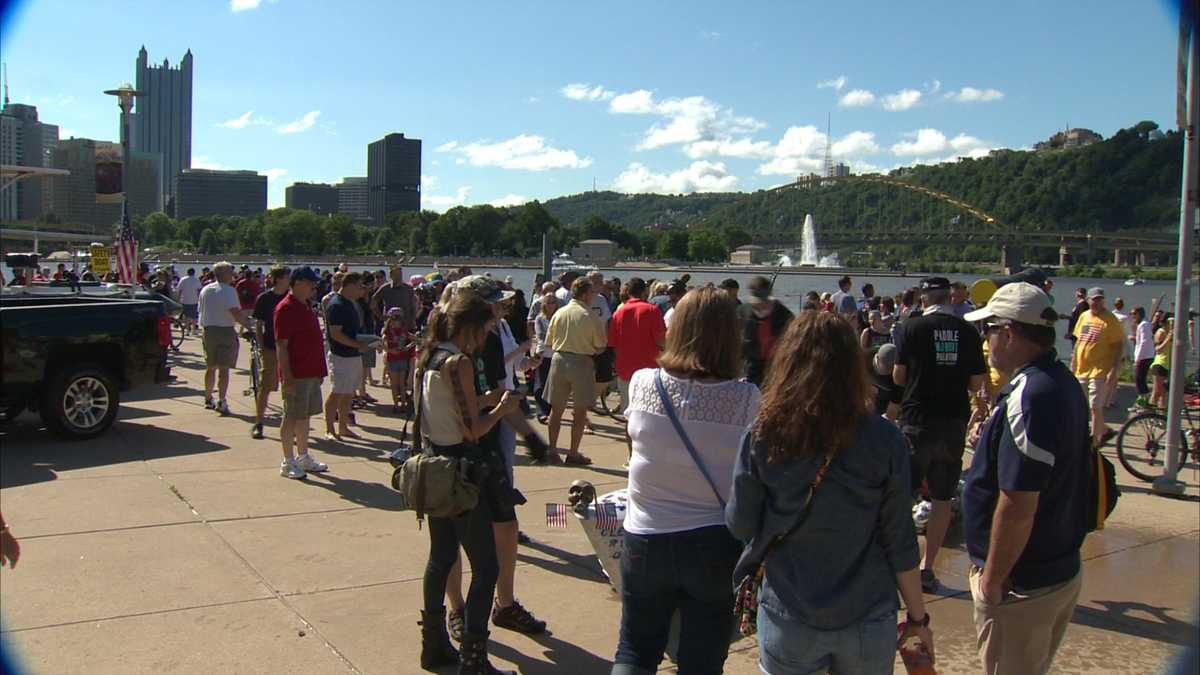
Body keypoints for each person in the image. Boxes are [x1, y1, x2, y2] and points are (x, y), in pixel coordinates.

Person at [727, 312, 932, 675]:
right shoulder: (885, 439)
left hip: (789, 610)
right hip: (867, 615)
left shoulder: (761, 435)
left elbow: (741, 523)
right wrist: (919, 617)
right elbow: (899, 539)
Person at [612, 287, 760, 675]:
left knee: (635, 649)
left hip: (646, 536)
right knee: (702, 660)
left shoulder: (644, 383)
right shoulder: (746, 399)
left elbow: (635, 440)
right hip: (714, 543)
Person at [962, 282, 1089, 674]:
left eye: (989, 331)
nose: (986, 342)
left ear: (1010, 333)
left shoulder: (1029, 397)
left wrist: (993, 582)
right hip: (1056, 566)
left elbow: (1017, 504)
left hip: (1022, 582)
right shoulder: (1061, 382)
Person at [417, 293, 521, 675]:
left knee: (440, 558)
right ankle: (474, 660)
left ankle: (433, 646)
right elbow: (473, 430)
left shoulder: (429, 355)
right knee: (486, 567)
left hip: (432, 466)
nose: (483, 341)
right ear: (470, 328)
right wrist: (503, 409)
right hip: (460, 471)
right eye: (484, 331)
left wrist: (488, 397)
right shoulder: (459, 362)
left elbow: (446, 407)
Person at [893, 276, 987, 593]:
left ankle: (898, 564)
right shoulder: (968, 331)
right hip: (952, 421)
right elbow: (976, 384)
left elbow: (899, 375)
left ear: (924, 299)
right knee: (942, 498)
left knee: (902, 495)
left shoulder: (911, 328)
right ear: (950, 298)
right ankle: (927, 567)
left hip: (917, 419)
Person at [273, 267, 330, 479]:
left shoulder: (305, 306)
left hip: (311, 371)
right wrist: (287, 377)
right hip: (296, 373)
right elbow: (282, 345)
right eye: (309, 283)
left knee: (304, 416)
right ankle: (287, 461)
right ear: (296, 283)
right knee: (291, 416)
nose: (314, 287)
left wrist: (319, 370)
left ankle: (303, 455)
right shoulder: (286, 308)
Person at [544, 277, 608, 465]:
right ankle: (573, 453)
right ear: (586, 294)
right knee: (580, 412)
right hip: (582, 361)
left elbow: (549, 341)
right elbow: (600, 346)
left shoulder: (559, 313)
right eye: (592, 293)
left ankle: (552, 449)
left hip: (559, 360)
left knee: (556, 410)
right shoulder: (590, 316)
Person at [1070, 287, 1125, 448]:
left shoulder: (1110, 319)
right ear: (1088, 300)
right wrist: (1073, 363)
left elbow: (1117, 345)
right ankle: (1103, 430)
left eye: (1100, 299)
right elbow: (1079, 342)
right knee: (1080, 405)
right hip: (1082, 368)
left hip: (1100, 369)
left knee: (1095, 406)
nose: (1097, 302)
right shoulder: (1084, 317)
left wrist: (1114, 370)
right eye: (1094, 299)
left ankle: (1094, 442)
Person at [607, 278, 667, 418]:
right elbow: (661, 340)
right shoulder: (652, 310)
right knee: (649, 411)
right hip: (649, 368)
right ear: (644, 291)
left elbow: (612, 343)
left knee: (628, 412)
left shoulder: (619, 312)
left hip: (625, 368)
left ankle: (629, 438)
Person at [199, 262, 252, 415]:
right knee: (224, 368)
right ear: (224, 274)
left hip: (208, 330)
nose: (233, 275)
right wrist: (248, 326)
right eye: (231, 272)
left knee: (210, 366)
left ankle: (208, 398)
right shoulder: (229, 291)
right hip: (225, 331)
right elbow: (235, 312)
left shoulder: (206, 289)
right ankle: (222, 400)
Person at [324, 272, 368, 440]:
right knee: (337, 392)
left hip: (353, 354)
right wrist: (358, 345)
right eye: (360, 286)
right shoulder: (336, 304)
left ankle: (343, 427)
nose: (362, 290)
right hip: (340, 355)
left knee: (349, 393)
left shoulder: (351, 303)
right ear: (349, 285)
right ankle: (329, 428)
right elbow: (335, 333)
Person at [251, 266, 291, 439]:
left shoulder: (293, 298)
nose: (291, 279)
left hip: (290, 348)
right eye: (288, 276)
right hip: (270, 347)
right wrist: (260, 346)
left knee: (289, 387)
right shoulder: (264, 298)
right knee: (266, 386)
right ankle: (258, 422)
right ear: (279, 278)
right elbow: (259, 324)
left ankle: (290, 425)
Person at [739, 276, 794, 386]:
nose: (758, 304)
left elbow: (793, 341)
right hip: (751, 367)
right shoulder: (744, 311)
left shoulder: (783, 314)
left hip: (776, 368)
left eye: (762, 299)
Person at [532, 292, 559, 422]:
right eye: (548, 302)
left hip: (556, 355)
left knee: (553, 384)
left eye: (553, 302)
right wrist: (553, 341)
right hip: (543, 354)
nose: (551, 305)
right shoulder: (539, 318)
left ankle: (549, 410)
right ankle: (541, 411)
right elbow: (541, 336)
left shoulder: (560, 317)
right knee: (541, 384)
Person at [383, 308, 416, 415]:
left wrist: (407, 347)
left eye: (398, 319)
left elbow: (415, 339)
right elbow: (381, 344)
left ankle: (403, 405)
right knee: (394, 383)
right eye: (393, 319)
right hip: (392, 359)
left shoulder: (403, 331)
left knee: (402, 383)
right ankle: (396, 405)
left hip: (402, 359)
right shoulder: (387, 332)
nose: (396, 322)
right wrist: (390, 350)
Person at [868, 343, 901, 420]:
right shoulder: (864, 359)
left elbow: (893, 410)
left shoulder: (897, 375)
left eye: (891, 368)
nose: (890, 371)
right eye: (886, 368)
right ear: (877, 358)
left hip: (884, 411)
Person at [1131, 306, 1154, 408]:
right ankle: (1143, 401)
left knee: (1139, 379)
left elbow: (1144, 342)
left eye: (1134, 314)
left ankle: (1143, 401)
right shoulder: (1143, 324)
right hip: (1146, 355)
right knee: (1140, 379)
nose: (1132, 316)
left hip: (1144, 357)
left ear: (1139, 314)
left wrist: (1138, 358)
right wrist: (1135, 338)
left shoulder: (1143, 325)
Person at [1150, 316, 1174, 408]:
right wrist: (1168, 339)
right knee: (1157, 391)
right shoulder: (1161, 332)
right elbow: (1158, 349)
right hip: (1160, 364)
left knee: (1164, 392)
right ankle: (1149, 413)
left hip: (1168, 365)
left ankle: (1161, 415)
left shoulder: (1171, 333)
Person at [176, 268, 202, 336]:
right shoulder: (196, 280)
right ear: (194, 273)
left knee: (186, 316)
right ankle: (193, 330)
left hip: (185, 300)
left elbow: (179, 290)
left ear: (187, 272)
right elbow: (199, 290)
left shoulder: (183, 279)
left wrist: (178, 299)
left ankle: (187, 330)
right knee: (194, 316)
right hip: (194, 300)